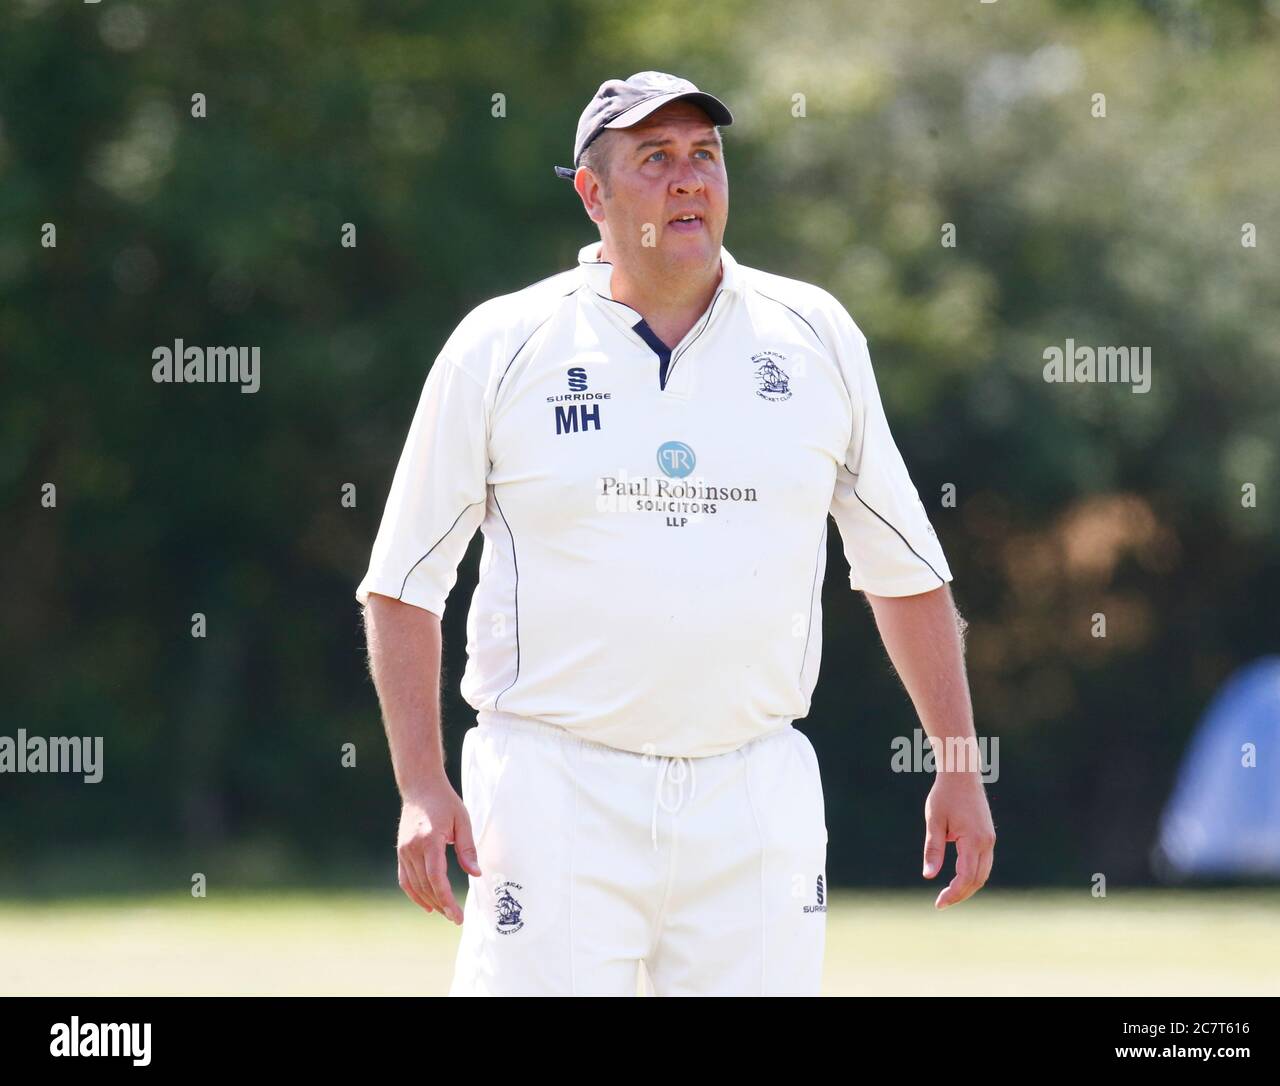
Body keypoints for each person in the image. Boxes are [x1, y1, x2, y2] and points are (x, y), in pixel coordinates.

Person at [356, 71, 994, 996]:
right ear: (593, 193)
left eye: (705, 155)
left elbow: (903, 568)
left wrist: (959, 766)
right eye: (655, 159)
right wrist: (421, 786)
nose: (688, 179)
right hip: (553, 790)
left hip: (755, 790)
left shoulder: (813, 334)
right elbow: (404, 583)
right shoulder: (504, 344)